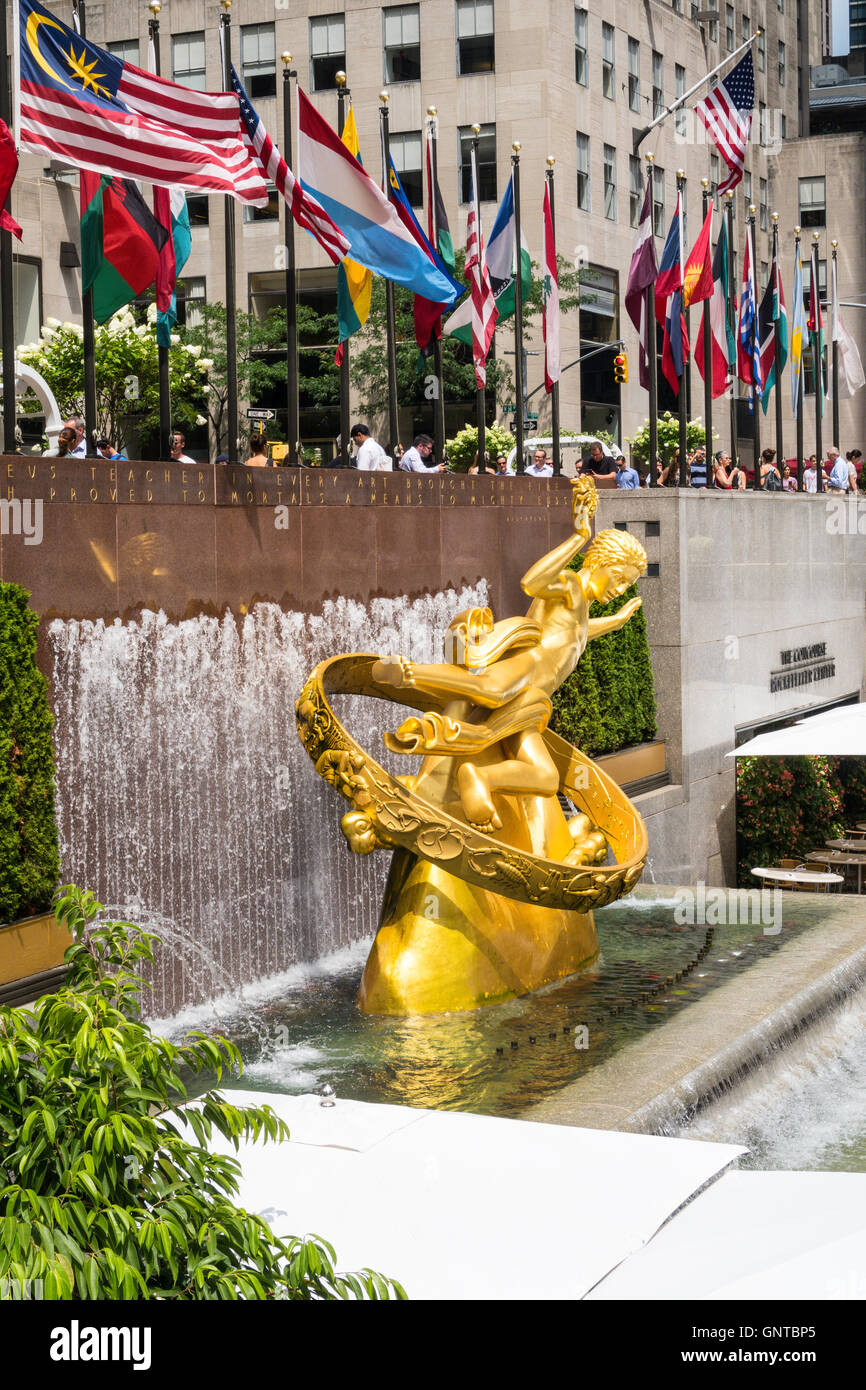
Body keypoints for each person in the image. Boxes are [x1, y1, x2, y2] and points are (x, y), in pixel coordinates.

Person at [372, 476, 646, 832]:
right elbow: (532, 582)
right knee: (488, 688)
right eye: (620, 579)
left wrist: (616, 621)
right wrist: (579, 538)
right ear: (599, 562)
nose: (620, 590)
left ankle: (481, 777)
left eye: (627, 586)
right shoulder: (570, 585)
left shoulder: (582, 606)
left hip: (532, 701)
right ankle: (408, 672)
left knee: (545, 776)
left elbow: (577, 636)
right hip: (529, 667)